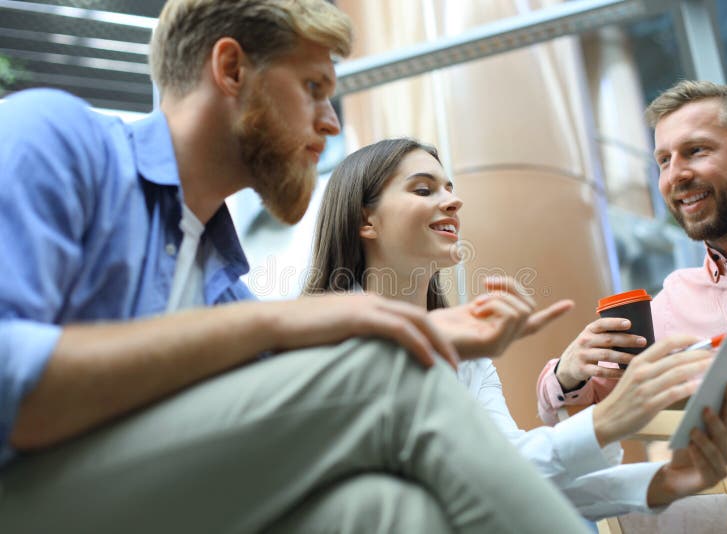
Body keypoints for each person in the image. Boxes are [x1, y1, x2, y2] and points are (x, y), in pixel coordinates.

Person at [0, 1, 605, 533]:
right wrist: (281, 324)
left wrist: (414, 331)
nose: (332, 122)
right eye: (313, 87)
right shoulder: (55, 135)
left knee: (384, 508)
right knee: (383, 377)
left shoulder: (220, 282)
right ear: (232, 69)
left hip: (125, 498)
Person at [304, 137, 727, 521]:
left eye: (450, 188)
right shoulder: (327, 343)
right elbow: (472, 478)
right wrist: (606, 420)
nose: (453, 201)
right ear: (366, 221)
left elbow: (513, 469)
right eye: (423, 189)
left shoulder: (469, 356)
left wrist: (660, 481)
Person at [536, 80, 727, 533]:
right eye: (663, 160)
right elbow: (563, 409)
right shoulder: (670, 308)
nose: (675, 174)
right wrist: (567, 372)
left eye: (696, 151)